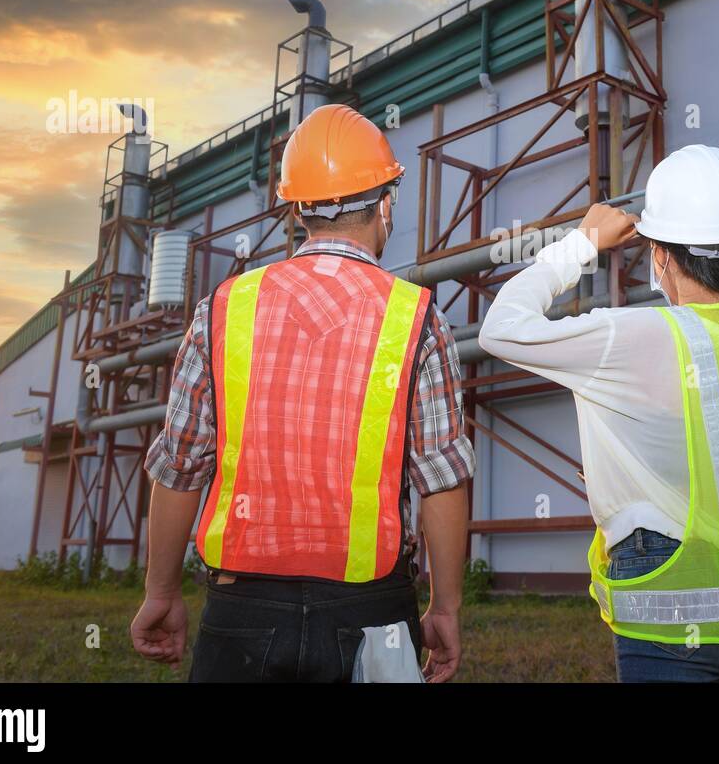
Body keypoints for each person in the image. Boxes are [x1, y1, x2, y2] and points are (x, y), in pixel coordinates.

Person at [131, 104, 474, 683]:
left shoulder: (222, 310)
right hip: (373, 617)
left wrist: (161, 589)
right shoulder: (416, 318)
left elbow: (180, 465)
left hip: (241, 613)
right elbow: (441, 479)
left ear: (296, 209)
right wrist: (445, 606)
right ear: (385, 205)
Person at [478, 143, 719, 683]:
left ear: (661, 256)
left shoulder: (636, 334)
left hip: (673, 619)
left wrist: (581, 243)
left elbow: (501, 328)